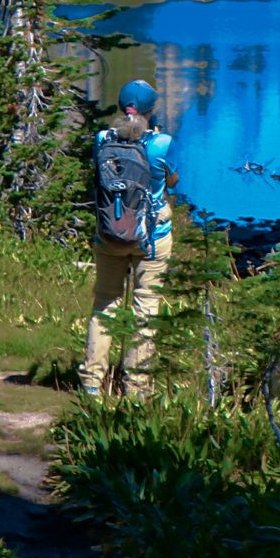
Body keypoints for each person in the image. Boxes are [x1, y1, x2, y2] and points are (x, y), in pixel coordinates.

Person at [85, 79, 177, 398]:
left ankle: (92, 382)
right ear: (152, 110)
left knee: (104, 304)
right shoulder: (162, 143)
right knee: (145, 306)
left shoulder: (102, 139)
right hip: (151, 237)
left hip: (109, 234)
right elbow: (172, 181)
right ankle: (137, 387)